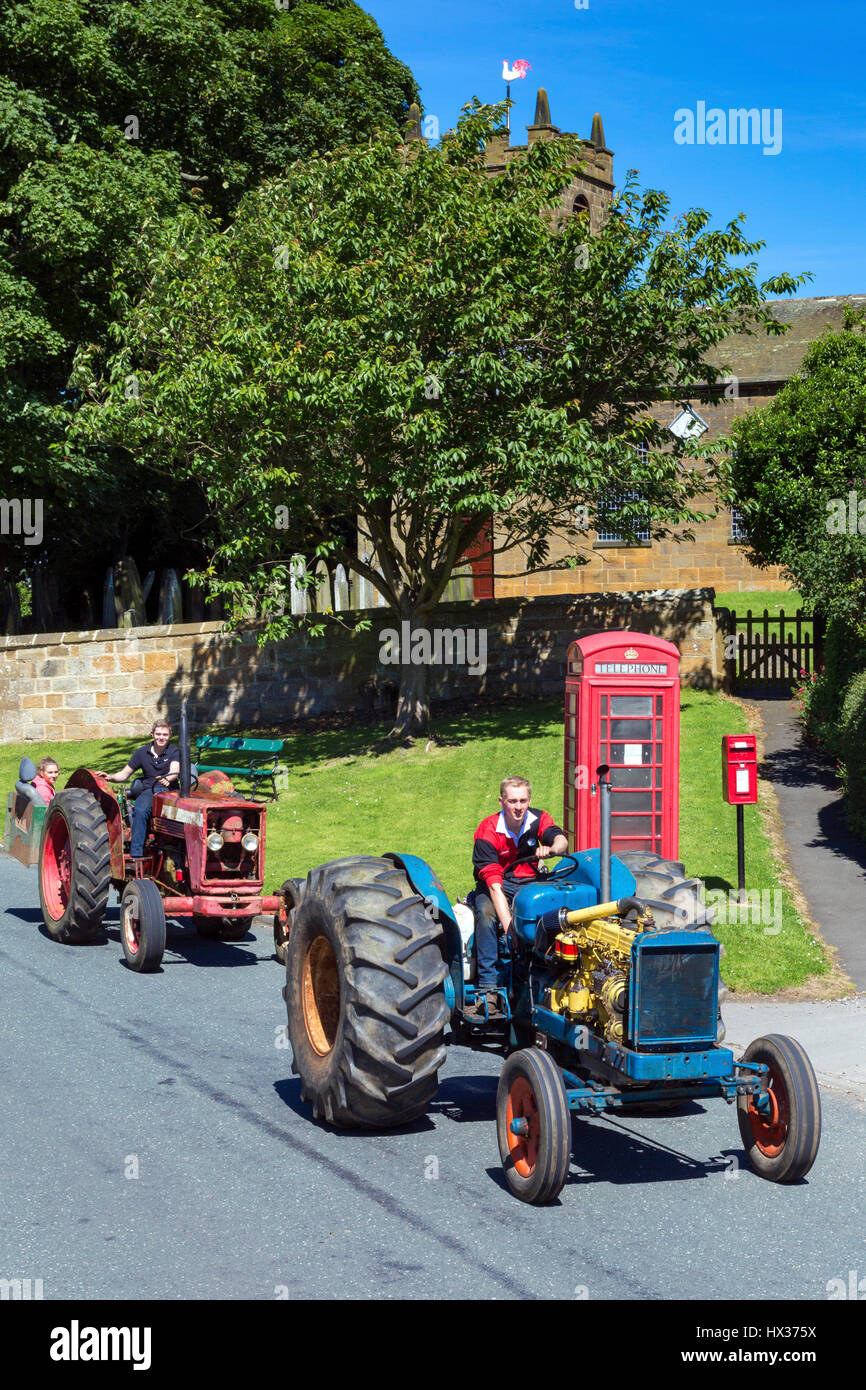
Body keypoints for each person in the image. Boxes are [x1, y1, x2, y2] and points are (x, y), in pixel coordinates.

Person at [469, 775, 568, 1019]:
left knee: (560, 914)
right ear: (501, 801)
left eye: (523, 800)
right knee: (485, 915)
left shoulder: (539, 819)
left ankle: (555, 979)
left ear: (529, 800)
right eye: (512, 801)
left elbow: (561, 839)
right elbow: (493, 886)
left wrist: (553, 848)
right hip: (498, 884)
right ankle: (488, 991)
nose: (518, 806)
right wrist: (510, 926)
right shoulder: (488, 830)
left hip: (531, 883)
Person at [102, 721, 181, 861]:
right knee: (140, 810)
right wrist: (109, 777)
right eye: (158, 734)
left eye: (165, 734)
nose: (161, 738)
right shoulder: (141, 753)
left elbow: (175, 770)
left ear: (170, 736)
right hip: (151, 789)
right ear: (152, 734)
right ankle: (136, 853)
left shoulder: (174, 751)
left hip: (170, 790)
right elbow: (124, 774)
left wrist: (169, 778)